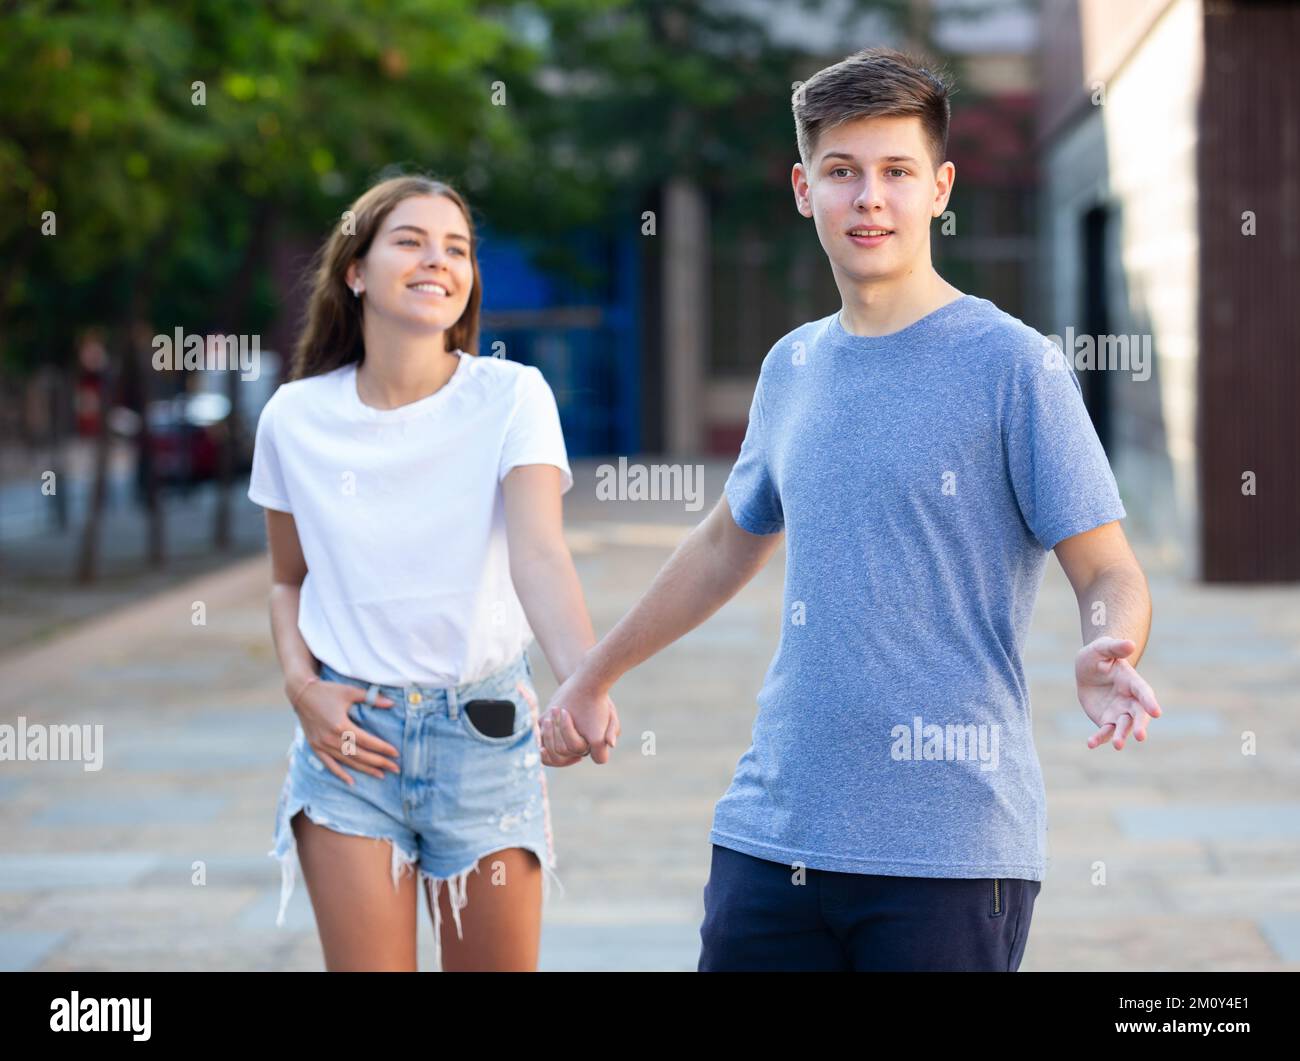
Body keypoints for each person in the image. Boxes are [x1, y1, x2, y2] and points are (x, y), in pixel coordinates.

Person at [536, 47, 1163, 971]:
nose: (870, 197)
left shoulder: (1013, 365)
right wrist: (592, 673)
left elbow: (1108, 567)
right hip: (772, 829)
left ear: (940, 188)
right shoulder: (791, 365)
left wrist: (1112, 642)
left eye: (897, 172)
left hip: (948, 849)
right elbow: (723, 543)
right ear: (804, 188)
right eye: (842, 172)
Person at [246, 173, 619, 971]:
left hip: (484, 736)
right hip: (351, 746)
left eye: (457, 249)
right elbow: (287, 580)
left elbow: (540, 555)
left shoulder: (512, 396)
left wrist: (582, 680)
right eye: (409, 241)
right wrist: (300, 686)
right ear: (356, 269)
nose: (437, 261)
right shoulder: (294, 418)